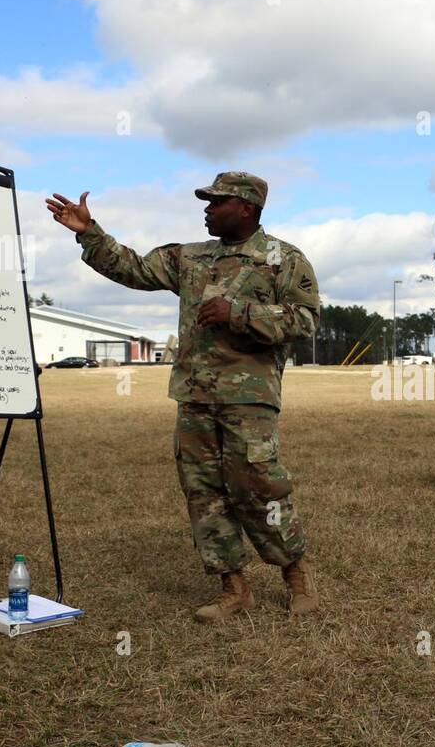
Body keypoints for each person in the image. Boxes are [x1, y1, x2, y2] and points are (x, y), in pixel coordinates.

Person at [46, 172, 320, 621]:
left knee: (259, 486)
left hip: (248, 398)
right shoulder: (190, 257)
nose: (207, 210)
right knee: (203, 492)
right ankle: (233, 587)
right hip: (194, 396)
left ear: (246, 208)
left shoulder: (283, 259)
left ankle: (296, 574)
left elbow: (305, 320)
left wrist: (239, 313)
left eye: (217, 202)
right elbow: (133, 268)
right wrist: (89, 232)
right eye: (207, 202)